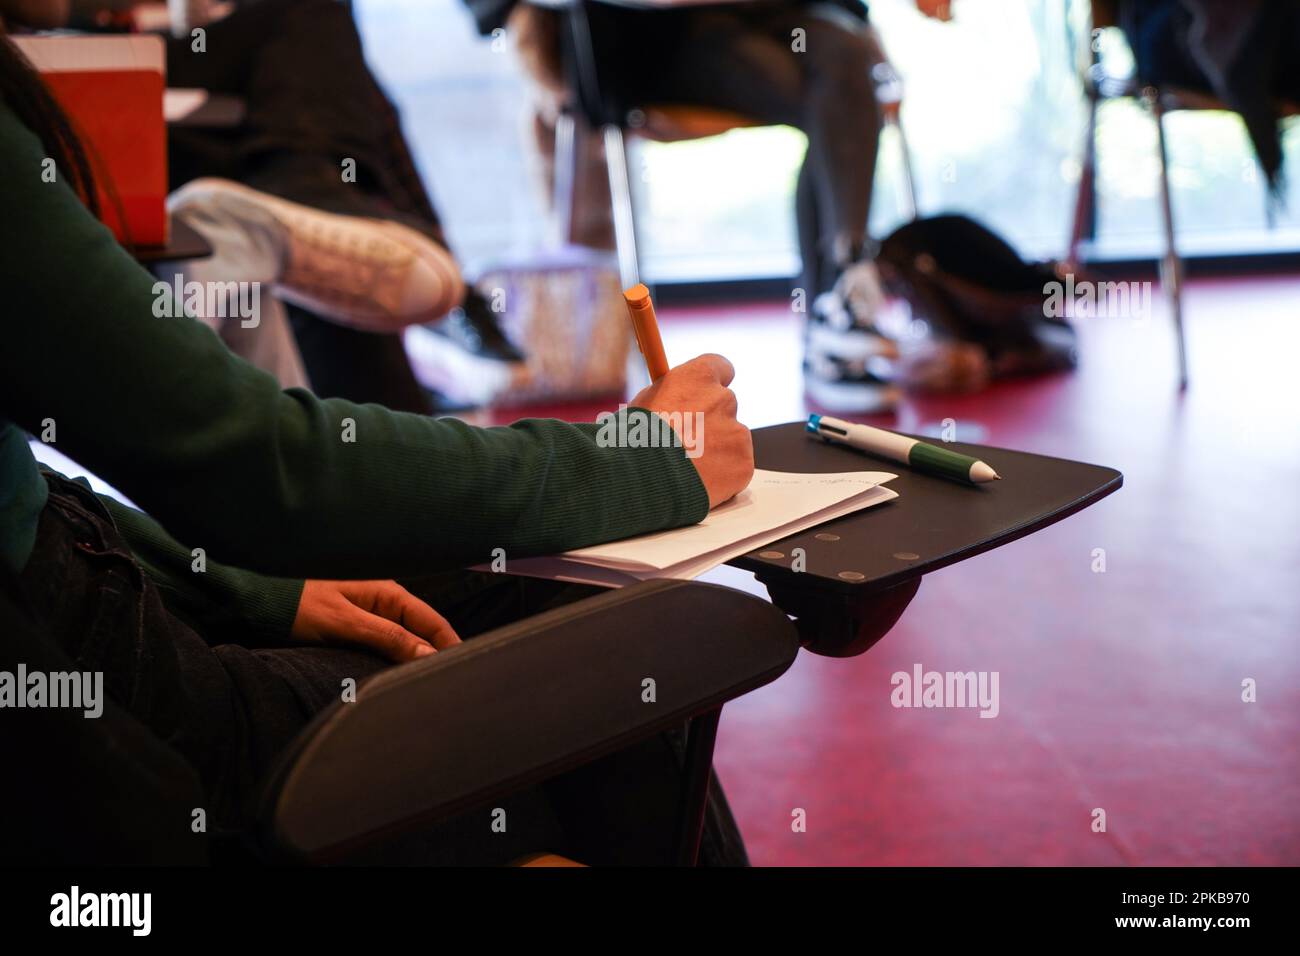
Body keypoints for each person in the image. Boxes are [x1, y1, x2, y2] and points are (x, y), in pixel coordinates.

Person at [0, 29, 754, 864]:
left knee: (560, 592)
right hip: (86, 689)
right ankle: (310, 201)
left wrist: (241, 584)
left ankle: (304, 199)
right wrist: (641, 461)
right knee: (598, 681)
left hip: (92, 577)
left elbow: (33, 479)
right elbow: (260, 465)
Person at [472, 0, 954, 412]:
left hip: (783, 21)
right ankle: (838, 305)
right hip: (659, 38)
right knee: (836, 90)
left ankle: (843, 290)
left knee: (844, 57)